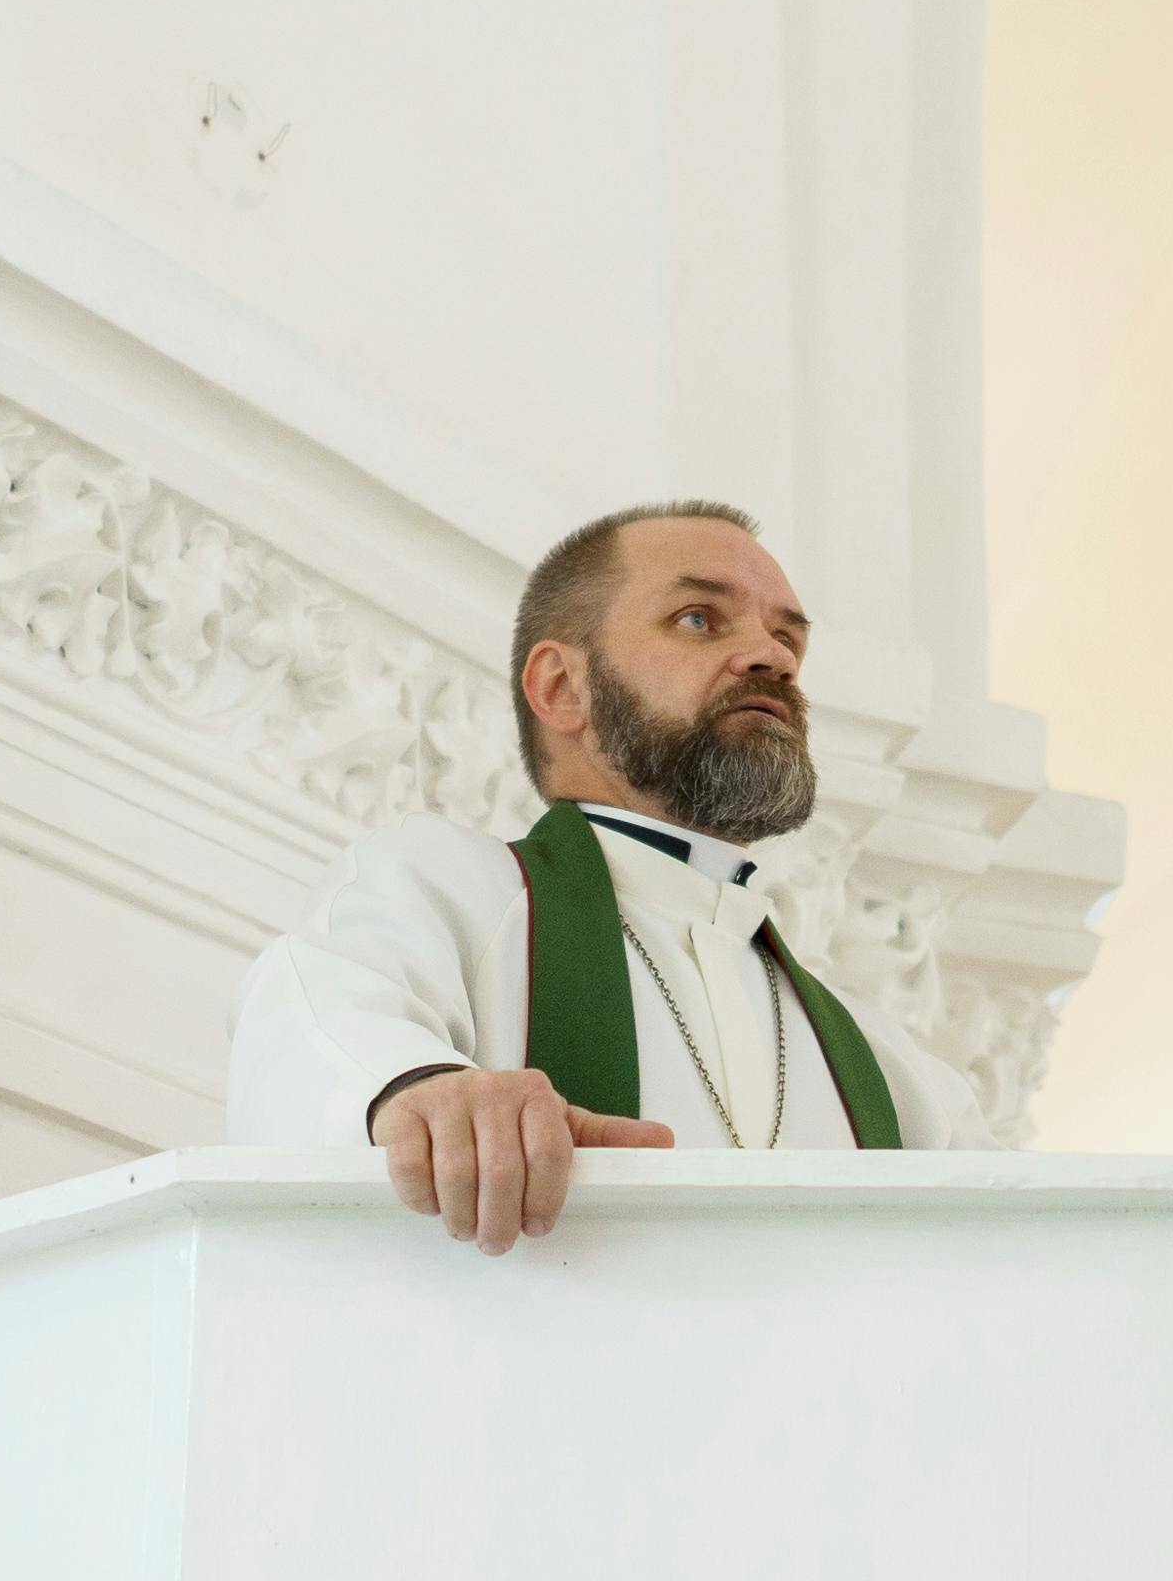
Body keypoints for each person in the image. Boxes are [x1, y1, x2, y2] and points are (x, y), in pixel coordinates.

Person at [230, 501, 981, 1246]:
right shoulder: (450, 890)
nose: (773, 657)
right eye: (699, 619)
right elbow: (315, 1014)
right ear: (562, 688)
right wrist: (418, 1093)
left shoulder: (886, 1064)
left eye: (787, 637)